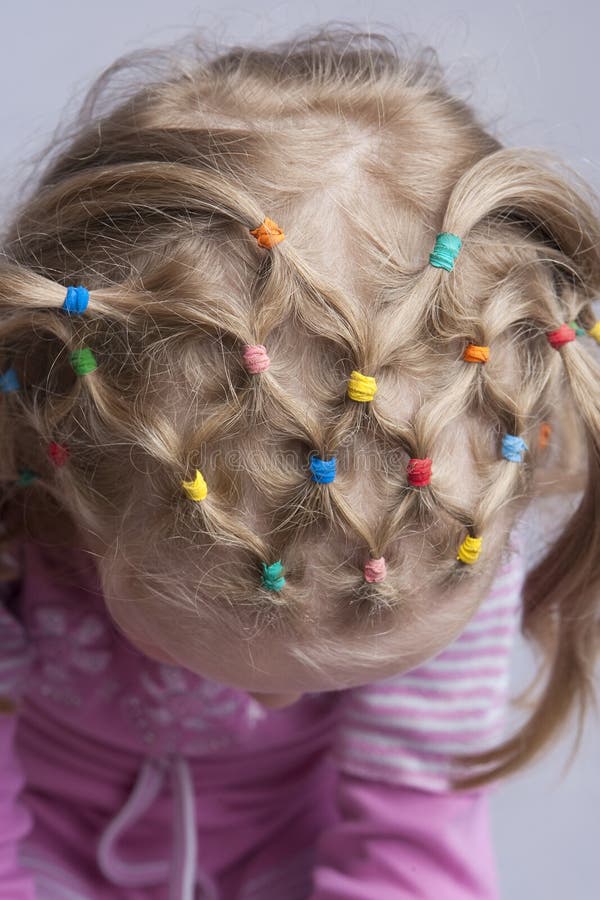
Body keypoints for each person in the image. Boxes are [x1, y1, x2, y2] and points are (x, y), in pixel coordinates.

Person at [1, 23, 599, 900]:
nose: (277, 714)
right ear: (71, 485)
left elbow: (414, 841)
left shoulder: (442, 535)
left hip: (299, 853)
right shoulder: (19, 529)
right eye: (202, 653)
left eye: (362, 675)